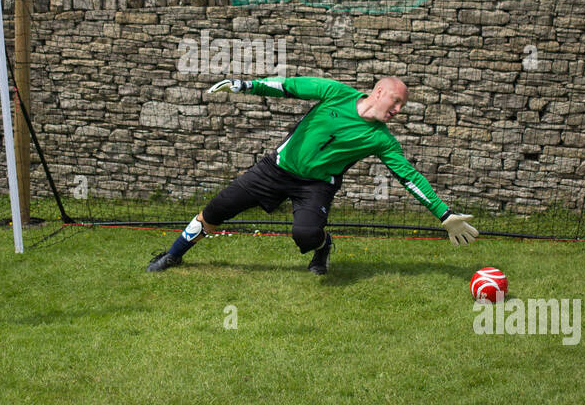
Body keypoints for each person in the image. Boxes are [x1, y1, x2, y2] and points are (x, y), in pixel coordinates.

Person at [146, 75, 478, 275]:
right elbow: (289, 87)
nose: (398, 110)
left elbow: (409, 177)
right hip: (275, 169)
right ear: (378, 92)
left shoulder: (382, 140)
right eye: (396, 101)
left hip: (316, 186)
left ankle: (323, 246)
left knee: (305, 234)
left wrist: (444, 214)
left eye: (402, 106)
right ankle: (173, 255)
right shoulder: (336, 93)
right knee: (217, 209)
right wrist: (245, 85)